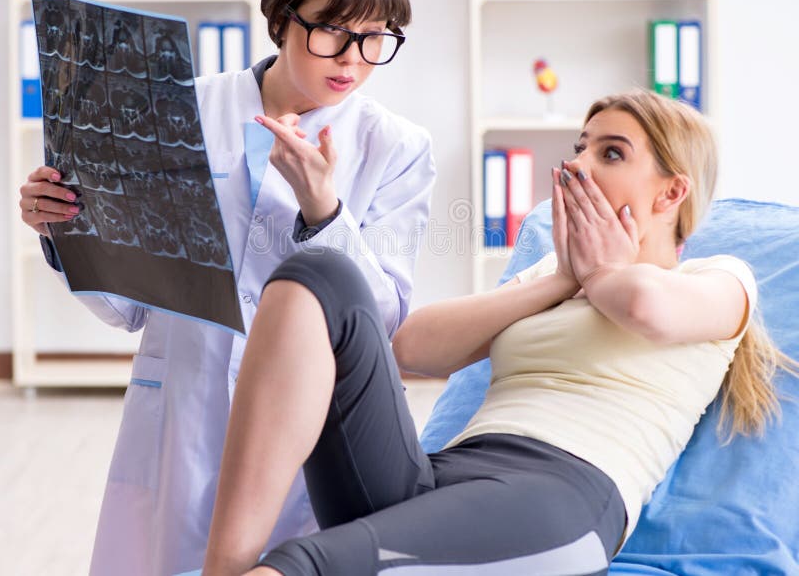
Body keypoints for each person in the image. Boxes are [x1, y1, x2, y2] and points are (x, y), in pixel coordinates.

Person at [200, 89, 797, 576]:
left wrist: (601, 272)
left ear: (672, 191)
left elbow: (646, 307)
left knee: (303, 565)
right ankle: (221, 567)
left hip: (558, 497)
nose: (578, 166)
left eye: (611, 154)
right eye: (580, 148)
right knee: (318, 271)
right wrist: (561, 279)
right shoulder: (552, 277)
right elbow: (413, 347)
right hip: (437, 475)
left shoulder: (719, 279)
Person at [18, 0, 436, 576]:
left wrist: (325, 211)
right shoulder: (177, 112)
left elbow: (382, 322)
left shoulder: (397, 147)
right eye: (332, 30)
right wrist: (63, 232)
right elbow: (128, 306)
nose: (353, 58)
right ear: (281, 16)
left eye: (375, 36)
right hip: (179, 413)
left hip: (301, 440)